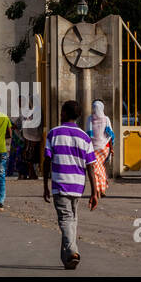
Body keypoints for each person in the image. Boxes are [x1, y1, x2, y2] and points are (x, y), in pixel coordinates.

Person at [43, 99, 100, 270]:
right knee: (72, 220)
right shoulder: (84, 137)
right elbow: (91, 167)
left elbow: (47, 160)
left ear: (65, 114)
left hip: (60, 183)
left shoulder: (54, 133)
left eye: (62, 111)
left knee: (66, 219)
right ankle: (67, 260)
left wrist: (45, 184)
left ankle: (73, 251)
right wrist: (94, 191)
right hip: (77, 185)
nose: (60, 114)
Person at [88, 99, 115, 197]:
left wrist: (111, 149)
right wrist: (111, 148)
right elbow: (110, 135)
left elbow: (109, 135)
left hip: (102, 148)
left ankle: (99, 190)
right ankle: (101, 189)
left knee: (95, 168)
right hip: (101, 148)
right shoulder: (104, 119)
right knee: (100, 168)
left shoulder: (91, 119)